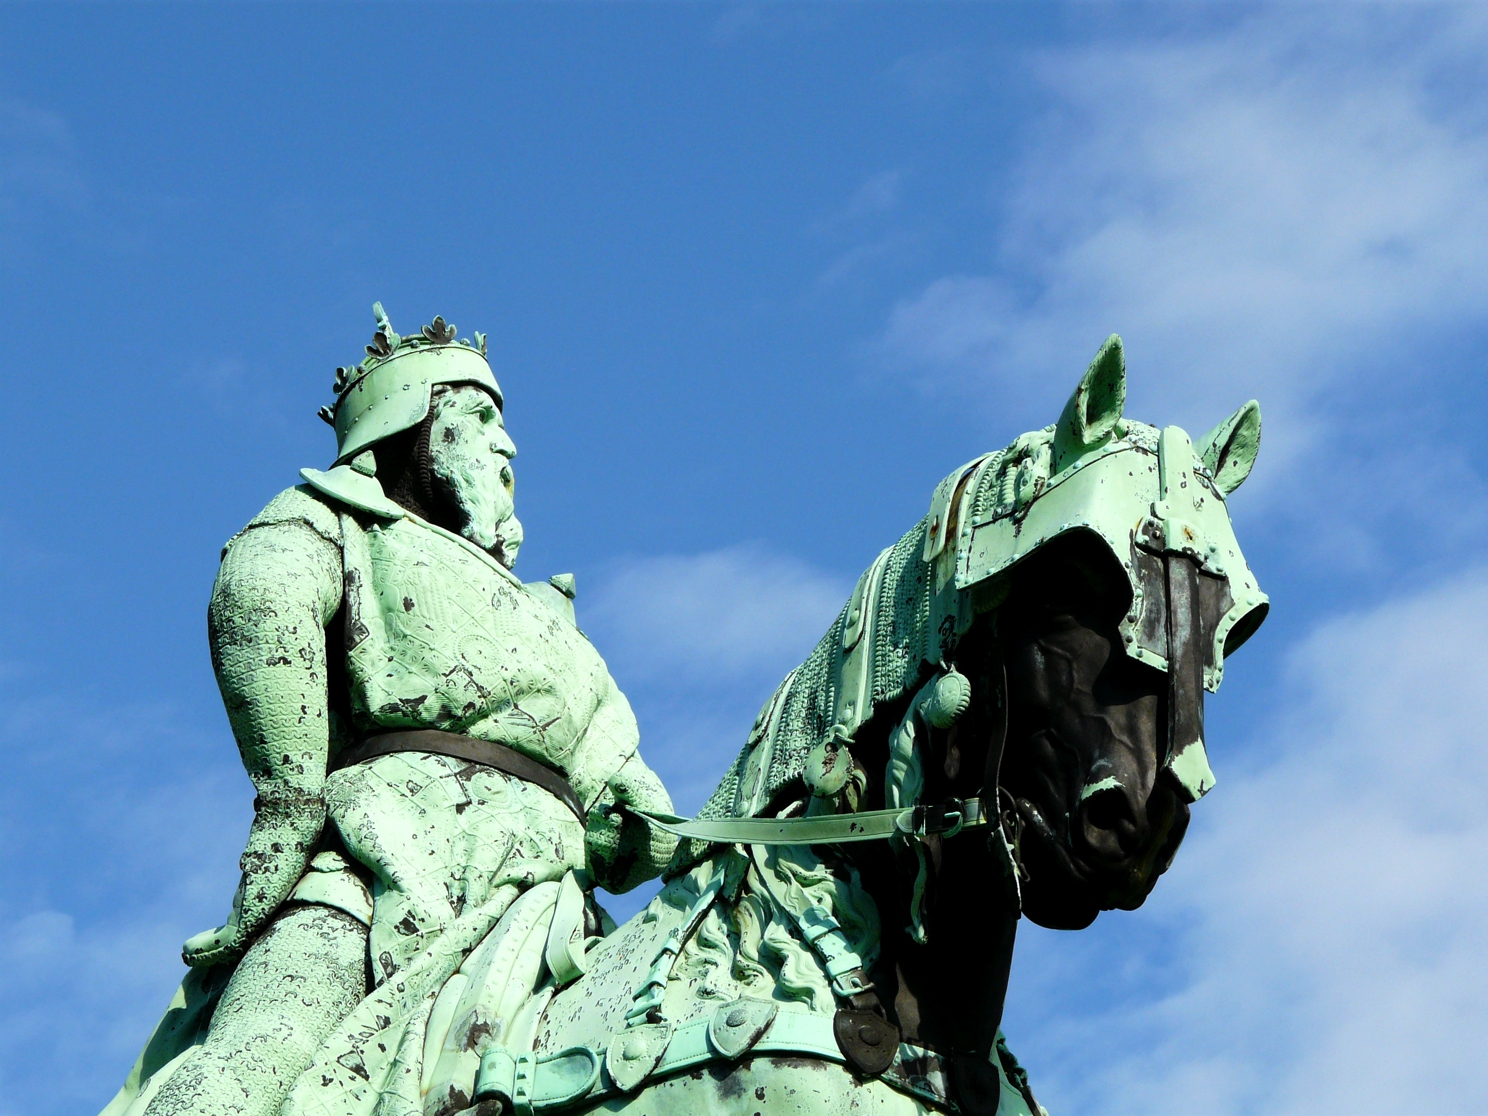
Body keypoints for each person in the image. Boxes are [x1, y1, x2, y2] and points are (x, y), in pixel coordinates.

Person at [103, 305, 676, 1116]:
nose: (505, 447)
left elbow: (627, 799)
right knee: (244, 1073)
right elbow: (260, 604)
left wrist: (656, 831)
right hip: (376, 870)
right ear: (414, 428)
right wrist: (292, 800)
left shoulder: (561, 629)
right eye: (480, 419)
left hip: (555, 921)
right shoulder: (335, 524)